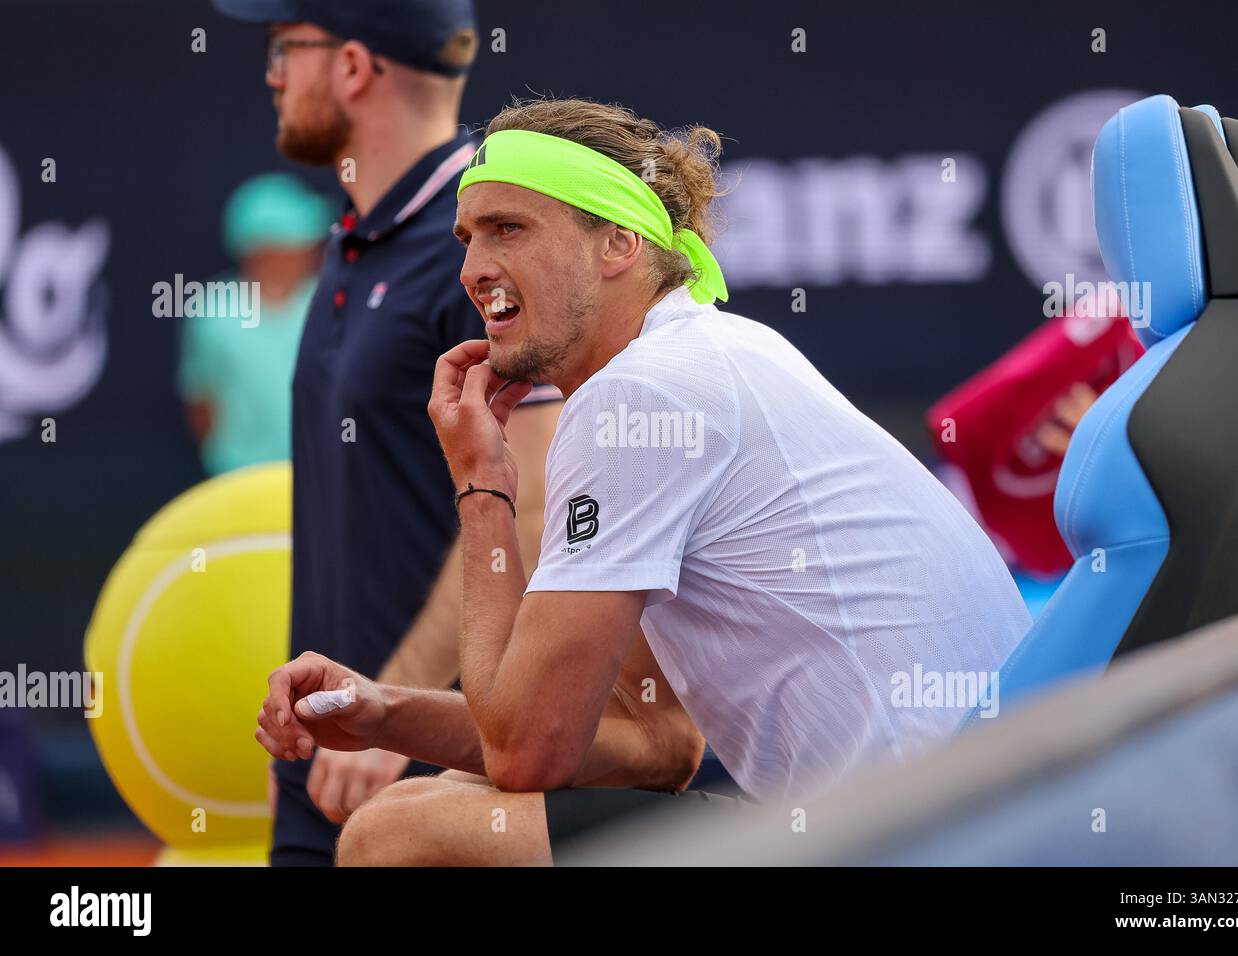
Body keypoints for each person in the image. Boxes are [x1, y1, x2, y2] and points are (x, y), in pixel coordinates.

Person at [256, 97, 1033, 865]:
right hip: (979, 805)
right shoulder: (698, 356)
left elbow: (526, 751)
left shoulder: (642, 395)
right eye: (466, 238)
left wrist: (482, 485)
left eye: (508, 230)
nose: (470, 270)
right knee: (439, 797)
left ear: (618, 243)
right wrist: (379, 709)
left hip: (933, 833)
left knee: (400, 835)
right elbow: (657, 741)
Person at [212, 0, 562, 865]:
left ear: (354, 67)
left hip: (423, 762)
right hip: (336, 751)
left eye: (284, 49)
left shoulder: (481, 242)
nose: (271, 74)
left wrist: (395, 714)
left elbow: (532, 504)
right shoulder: (353, 240)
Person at [179, 172, 332, 475]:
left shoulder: (332, 301)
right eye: (299, 236)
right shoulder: (213, 310)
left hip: (322, 479)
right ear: (266, 249)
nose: (314, 245)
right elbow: (200, 403)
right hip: (238, 481)